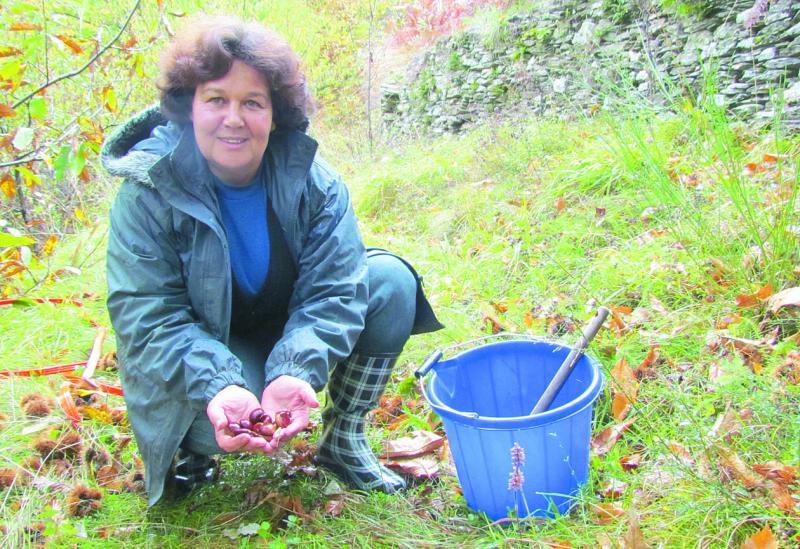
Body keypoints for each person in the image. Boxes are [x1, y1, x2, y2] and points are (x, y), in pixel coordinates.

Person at [101, 15, 442, 507]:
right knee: (219, 415)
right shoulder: (147, 193)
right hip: (209, 350)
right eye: (216, 99)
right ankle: (191, 453)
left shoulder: (317, 184)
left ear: (275, 114)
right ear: (188, 108)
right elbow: (148, 317)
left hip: (283, 332)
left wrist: (296, 371)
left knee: (389, 281)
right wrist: (219, 386)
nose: (234, 118)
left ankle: (344, 439)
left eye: (252, 103)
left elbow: (336, 291)